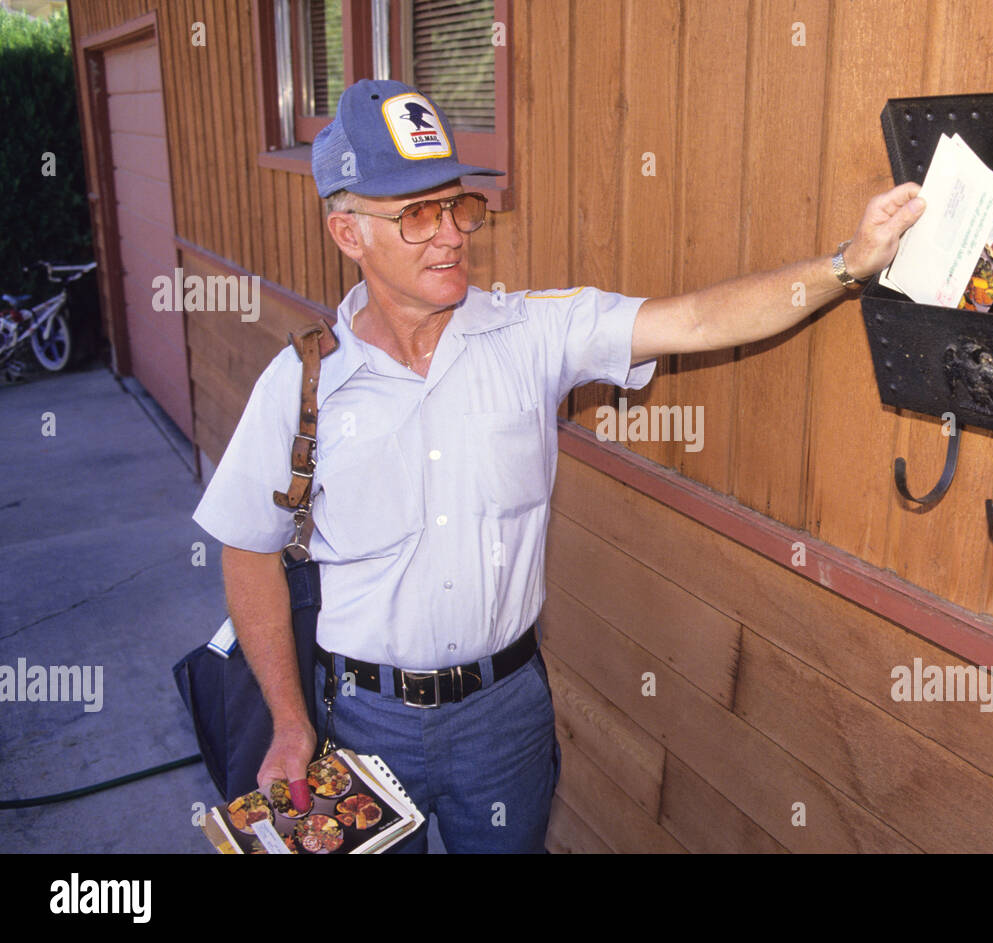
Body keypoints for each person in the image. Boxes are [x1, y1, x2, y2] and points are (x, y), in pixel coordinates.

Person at [193, 79, 924, 853]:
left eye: (458, 206)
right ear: (349, 232)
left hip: (504, 715)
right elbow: (248, 548)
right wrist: (289, 721)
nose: (450, 234)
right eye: (416, 214)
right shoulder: (303, 383)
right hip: (364, 724)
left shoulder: (534, 334)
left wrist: (851, 261)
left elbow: (700, 319)